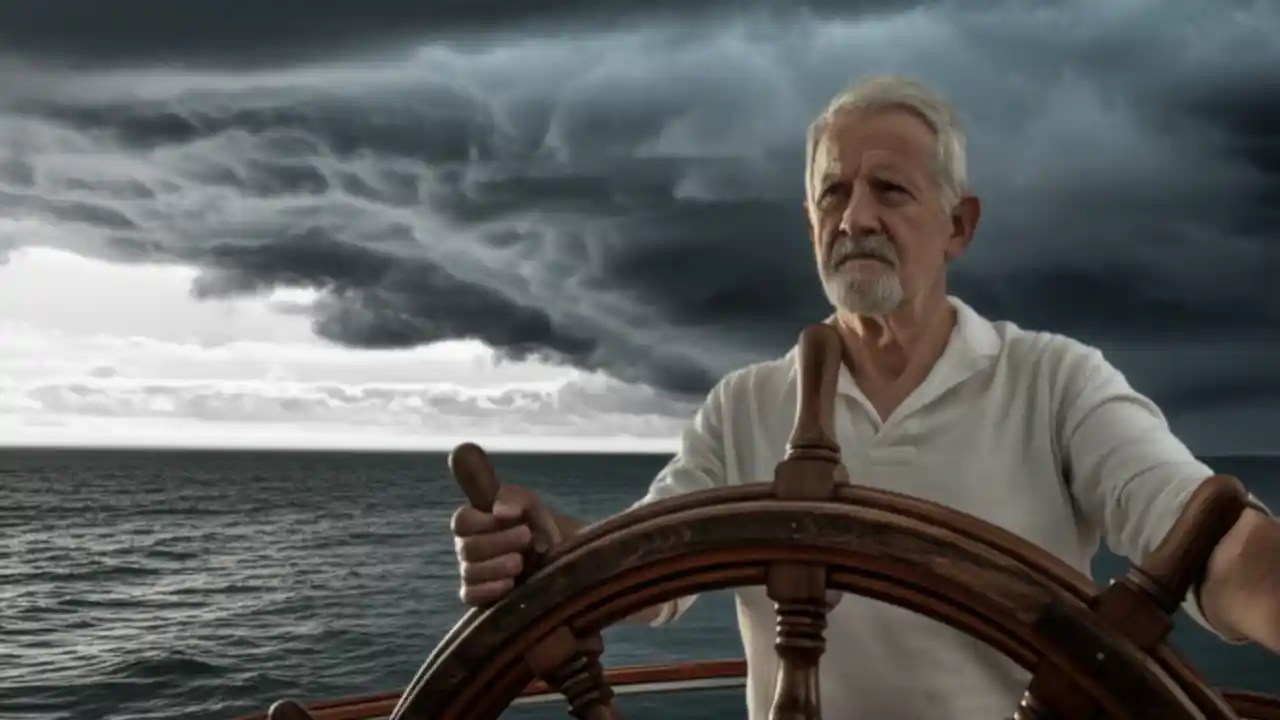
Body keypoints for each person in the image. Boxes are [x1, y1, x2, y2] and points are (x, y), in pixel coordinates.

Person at [449, 75, 1280, 717]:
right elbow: (651, 575)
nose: (855, 219)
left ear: (960, 226)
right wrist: (554, 543)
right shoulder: (743, 407)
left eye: (891, 190)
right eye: (833, 193)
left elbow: (1204, 540)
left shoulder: (1055, 383)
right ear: (810, 219)